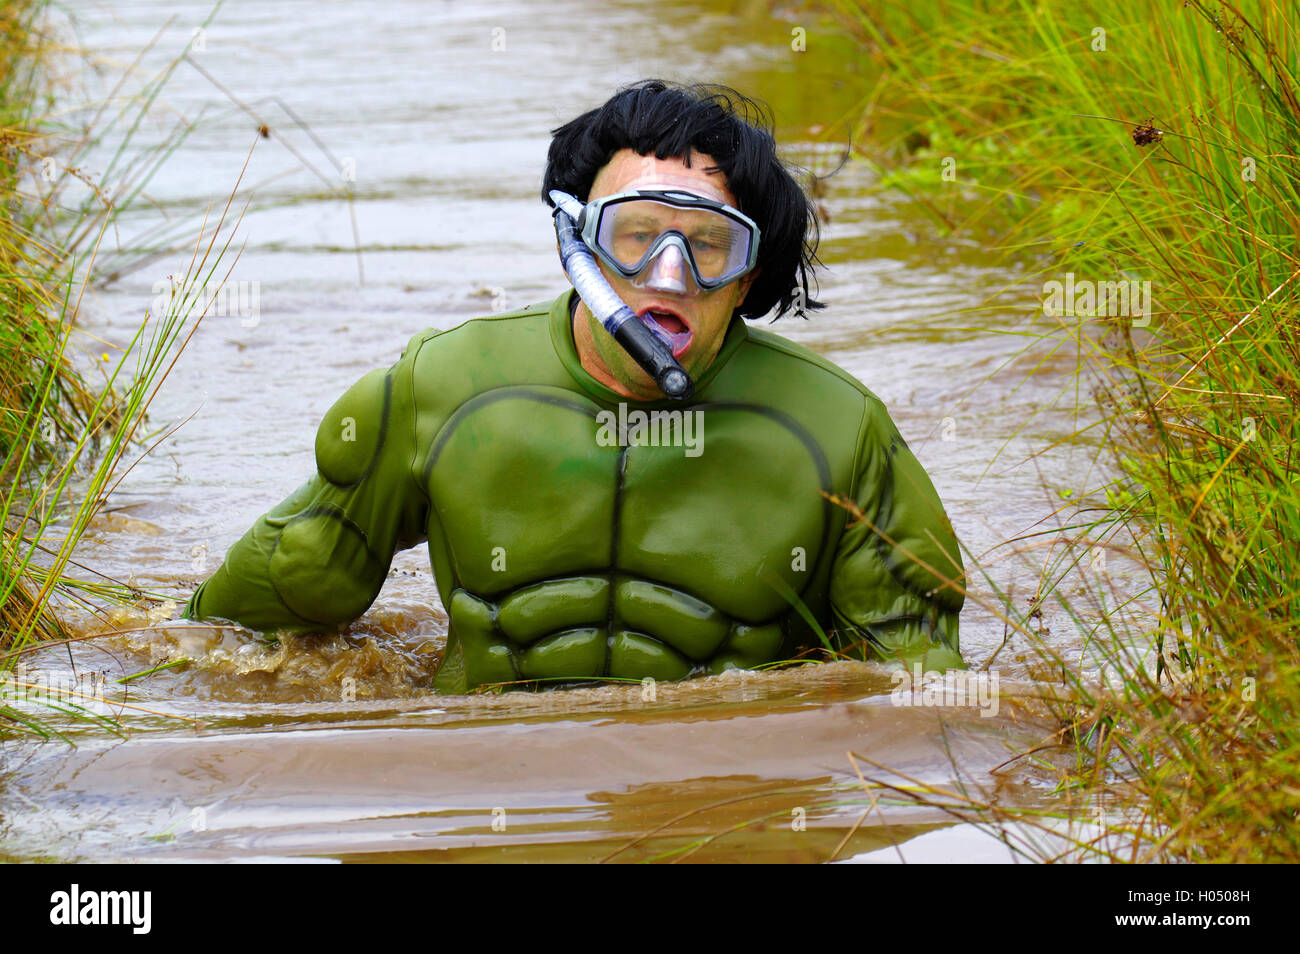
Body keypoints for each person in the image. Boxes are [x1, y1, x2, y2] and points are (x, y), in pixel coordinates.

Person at [182, 79, 967, 693]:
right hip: (495, 797)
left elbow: (910, 697)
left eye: (708, 247)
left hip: (720, 808)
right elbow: (225, 634)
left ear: (749, 276)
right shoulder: (443, 391)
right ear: (576, 245)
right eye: (633, 234)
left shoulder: (838, 430)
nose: (668, 276)